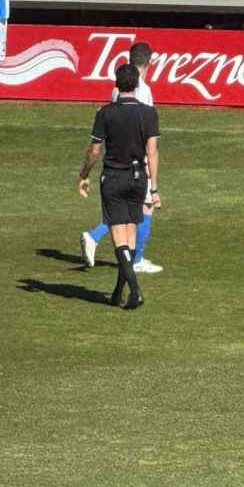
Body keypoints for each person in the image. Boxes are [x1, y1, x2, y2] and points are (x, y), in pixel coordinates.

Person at [78, 64, 161, 310]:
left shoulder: (105, 113)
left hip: (114, 177)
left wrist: (84, 174)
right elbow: (152, 151)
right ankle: (117, 293)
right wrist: (154, 189)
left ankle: (135, 291)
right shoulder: (149, 113)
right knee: (130, 234)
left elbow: (95, 150)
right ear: (136, 84)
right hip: (138, 179)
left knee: (118, 238)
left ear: (116, 84)